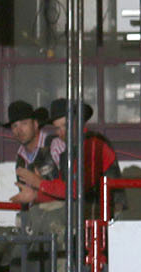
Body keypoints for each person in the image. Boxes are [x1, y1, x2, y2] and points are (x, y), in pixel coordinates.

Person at [20, 98, 119, 232]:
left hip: (104, 214)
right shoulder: (71, 150)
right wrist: (36, 195)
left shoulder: (93, 145)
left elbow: (77, 189)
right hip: (85, 211)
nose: (61, 132)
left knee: (46, 217)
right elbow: (65, 188)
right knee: (35, 213)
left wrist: (39, 184)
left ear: (78, 122)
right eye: (57, 128)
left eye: (65, 125)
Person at [3, 99, 61, 207]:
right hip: (39, 215)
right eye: (15, 126)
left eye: (24, 123)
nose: (19, 130)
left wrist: (39, 184)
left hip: (62, 214)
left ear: (35, 124)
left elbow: (70, 188)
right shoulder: (20, 158)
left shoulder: (55, 145)